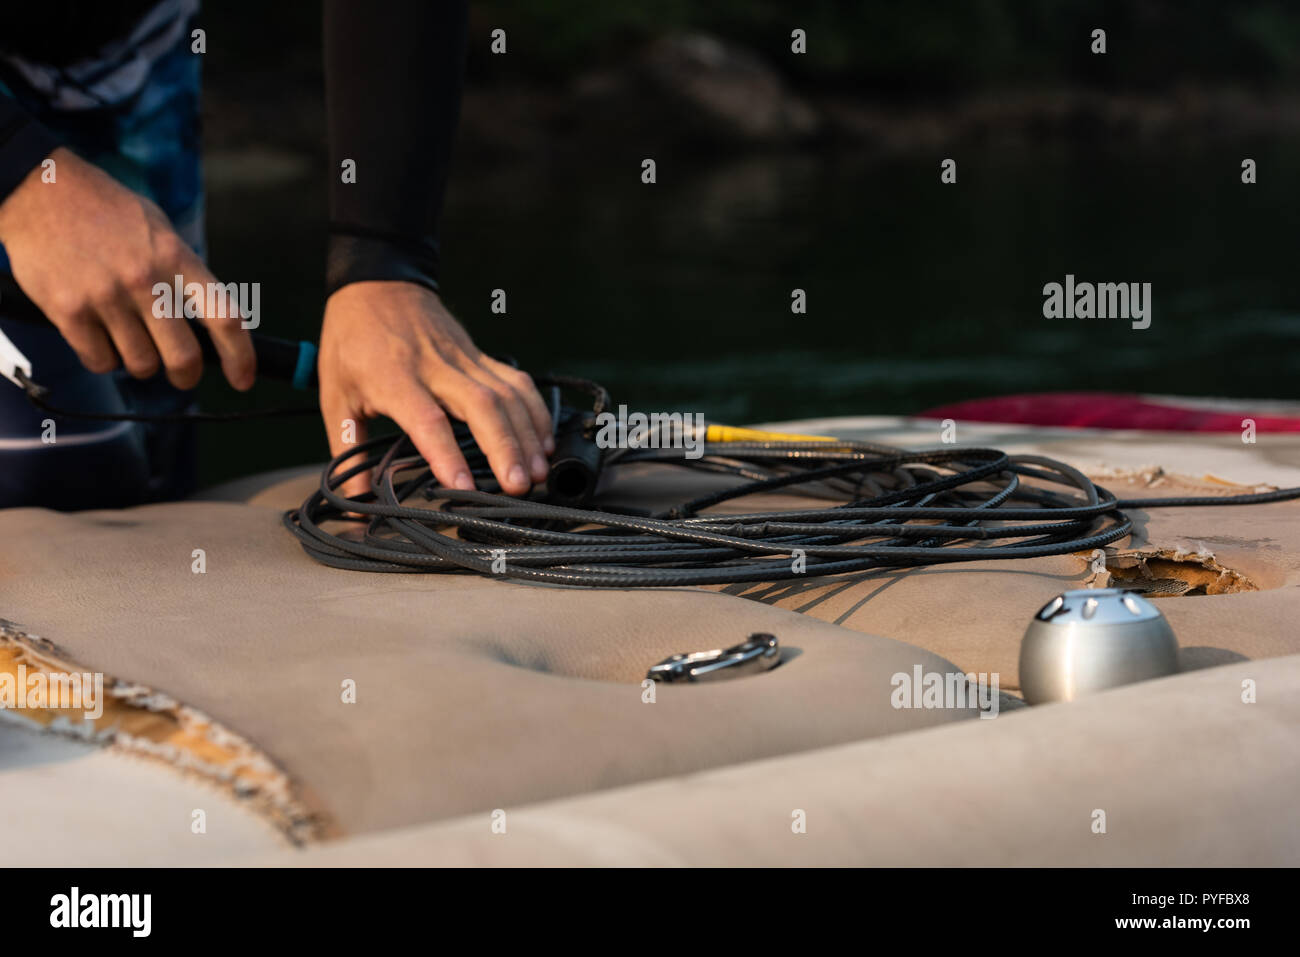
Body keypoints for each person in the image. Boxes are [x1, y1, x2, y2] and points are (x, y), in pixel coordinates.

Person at [0, 0, 551, 508]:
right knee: (63, 470)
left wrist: (382, 266)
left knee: (151, 432)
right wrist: (21, 174)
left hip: (137, 41)